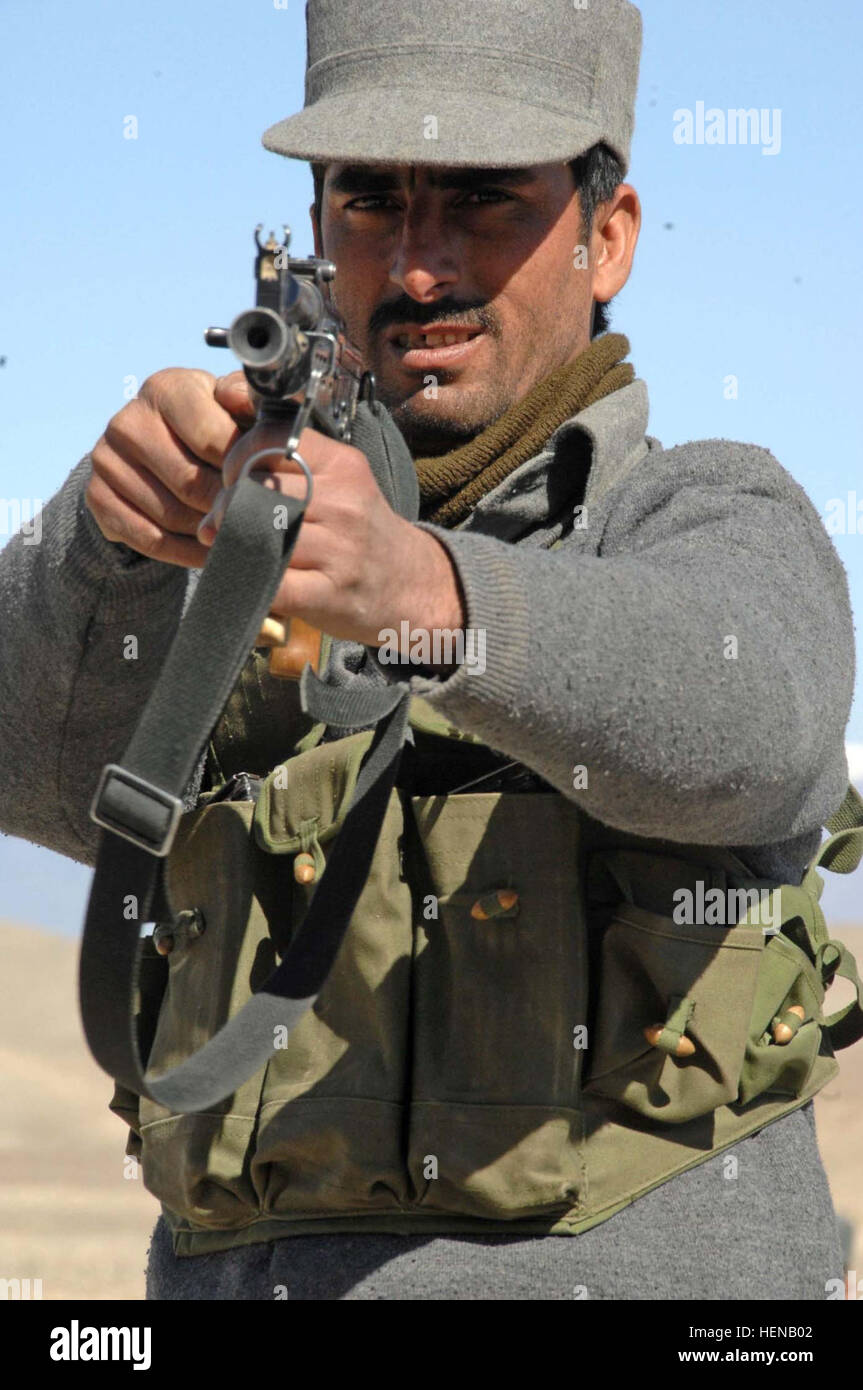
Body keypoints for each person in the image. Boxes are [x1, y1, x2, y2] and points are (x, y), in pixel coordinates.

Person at [0, 0, 857, 1301]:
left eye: (483, 204)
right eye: (369, 206)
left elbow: (754, 728)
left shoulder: (705, 513)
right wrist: (105, 534)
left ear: (608, 236)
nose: (414, 270)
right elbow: (37, 775)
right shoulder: (241, 562)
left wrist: (424, 592)